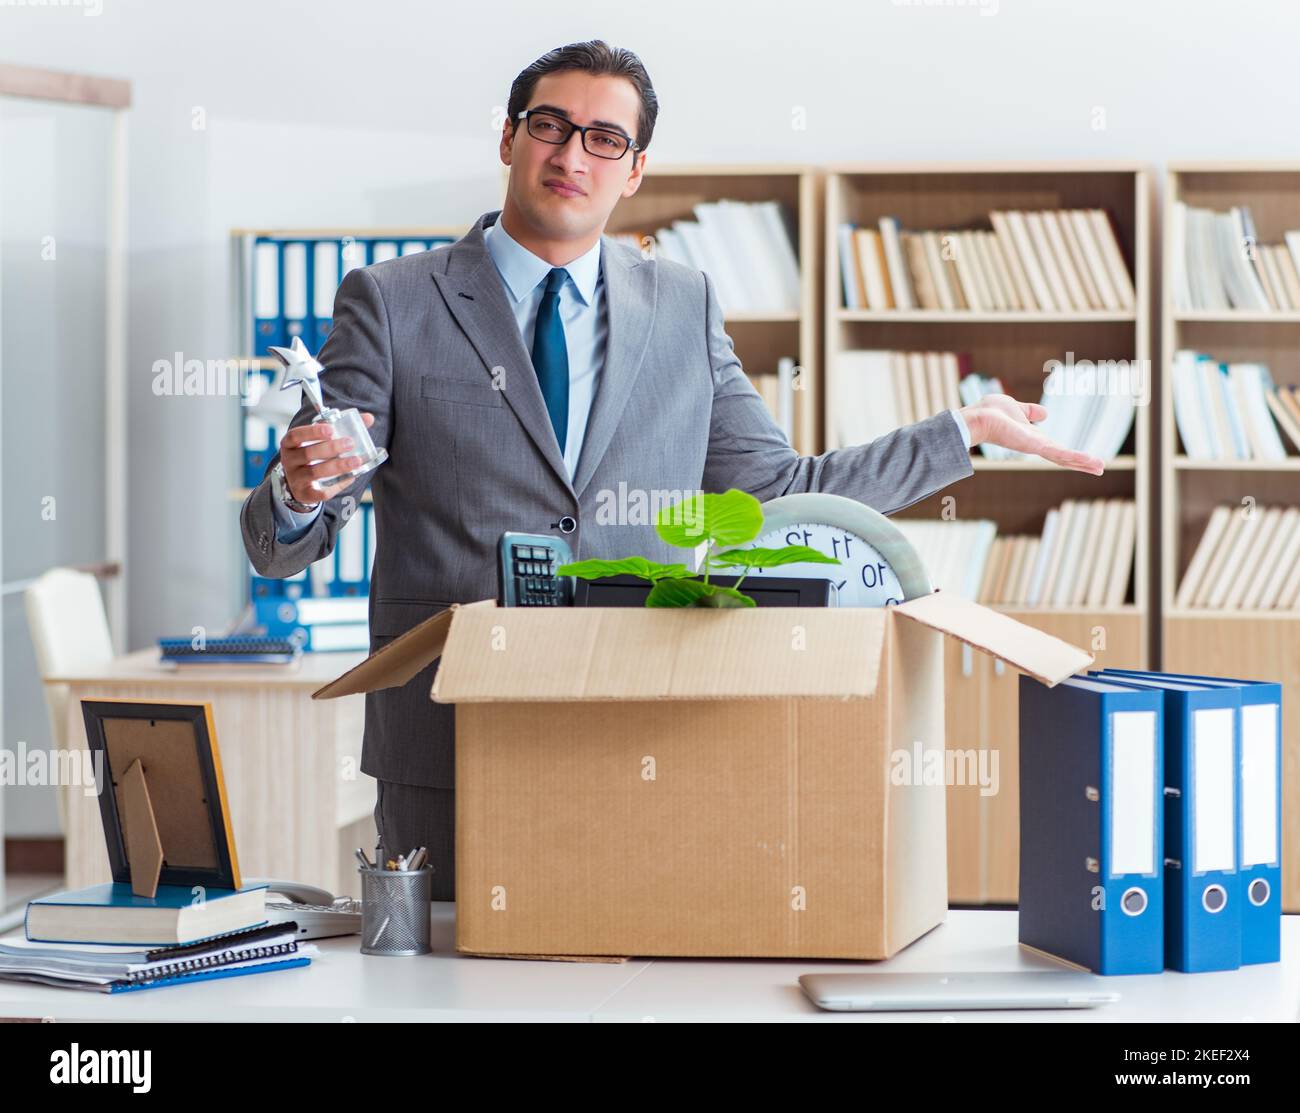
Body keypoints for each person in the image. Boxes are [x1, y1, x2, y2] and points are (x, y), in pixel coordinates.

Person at [240, 39, 1103, 900]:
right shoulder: (393, 299)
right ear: (508, 139)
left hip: (639, 732)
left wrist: (960, 434)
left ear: (635, 170)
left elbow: (782, 492)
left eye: (604, 139)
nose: (572, 153)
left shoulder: (682, 306)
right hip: (449, 738)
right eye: (550, 125)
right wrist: (298, 493)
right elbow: (294, 532)